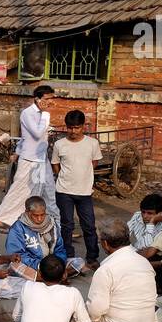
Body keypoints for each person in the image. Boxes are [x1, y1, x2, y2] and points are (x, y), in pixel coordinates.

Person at [0, 84, 55, 230]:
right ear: (37, 99)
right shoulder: (28, 113)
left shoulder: (40, 114)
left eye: (51, 99)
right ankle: (0, 219)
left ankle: (30, 221)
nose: (50, 102)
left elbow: (26, 137)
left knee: (36, 192)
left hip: (39, 159)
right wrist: (46, 116)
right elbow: (37, 133)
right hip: (29, 160)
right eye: (47, 99)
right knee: (19, 190)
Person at [3, 195, 85, 297]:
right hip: (34, 266)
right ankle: (54, 278)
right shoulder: (18, 228)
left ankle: (50, 277)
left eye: (42, 215)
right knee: (15, 266)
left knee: (79, 262)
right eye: (36, 216)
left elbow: (60, 248)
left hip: (53, 264)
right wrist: (40, 265)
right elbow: (17, 255)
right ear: (27, 212)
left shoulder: (51, 223)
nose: (40, 219)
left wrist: (58, 264)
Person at [51, 109, 102, 271]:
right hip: (64, 191)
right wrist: (65, 177)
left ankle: (92, 257)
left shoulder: (92, 143)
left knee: (89, 226)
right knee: (67, 225)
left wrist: (83, 176)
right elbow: (55, 164)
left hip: (85, 192)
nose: (73, 131)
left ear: (83, 127)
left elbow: (94, 163)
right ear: (66, 127)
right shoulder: (59, 145)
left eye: (77, 128)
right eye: (70, 128)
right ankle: (68, 255)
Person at [127, 194, 162, 259]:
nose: (145, 216)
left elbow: (146, 247)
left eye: (150, 213)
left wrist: (151, 223)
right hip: (133, 253)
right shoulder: (137, 215)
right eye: (143, 212)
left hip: (149, 260)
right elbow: (125, 233)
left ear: (160, 214)